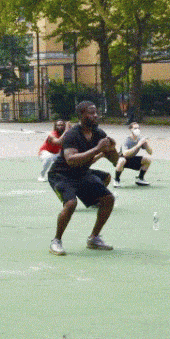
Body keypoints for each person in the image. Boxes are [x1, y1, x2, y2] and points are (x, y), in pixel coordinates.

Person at [47, 100, 117, 255]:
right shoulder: (72, 135)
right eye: (91, 113)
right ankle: (56, 241)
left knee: (108, 199)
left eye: (96, 112)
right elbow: (71, 160)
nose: (95, 115)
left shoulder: (99, 134)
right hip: (61, 175)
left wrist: (112, 150)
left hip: (82, 174)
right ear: (81, 115)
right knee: (71, 203)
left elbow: (115, 161)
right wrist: (98, 149)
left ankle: (94, 238)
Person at [114, 121, 152, 186]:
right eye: (135, 128)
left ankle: (140, 178)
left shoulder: (140, 139)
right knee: (122, 160)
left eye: (138, 128)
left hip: (131, 159)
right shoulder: (126, 140)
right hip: (121, 159)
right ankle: (116, 180)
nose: (137, 130)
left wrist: (146, 144)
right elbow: (125, 154)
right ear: (130, 129)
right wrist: (138, 145)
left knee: (147, 160)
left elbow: (150, 152)